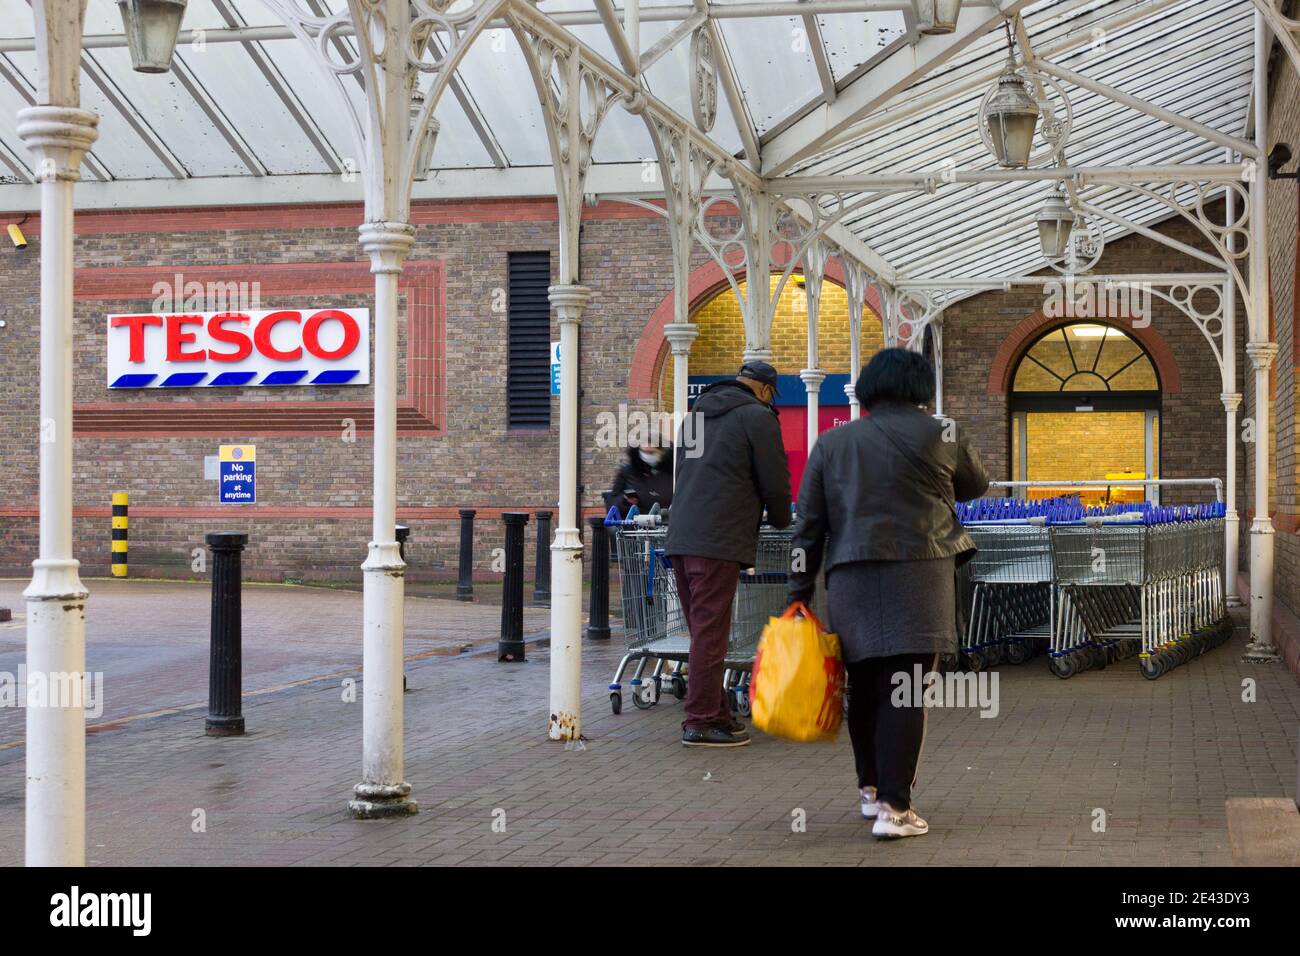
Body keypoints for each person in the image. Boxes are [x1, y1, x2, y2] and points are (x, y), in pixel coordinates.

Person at [786, 348, 987, 838]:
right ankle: (896, 811)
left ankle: (871, 792)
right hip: (920, 575)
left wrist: (798, 594)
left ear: (870, 387)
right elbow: (977, 485)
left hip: (852, 578)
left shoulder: (833, 444)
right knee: (907, 689)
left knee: (865, 688)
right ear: (922, 389)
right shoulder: (945, 433)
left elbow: (808, 527)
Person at [665, 361, 792, 748]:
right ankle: (700, 721)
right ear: (767, 390)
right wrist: (782, 517)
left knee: (703, 632)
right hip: (716, 541)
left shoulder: (696, 416)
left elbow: (683, 472)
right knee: (711, 635)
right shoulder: (758, 417)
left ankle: (716, 713)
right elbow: (775, 477)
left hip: (683, 538)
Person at [605, 444, 673, 518]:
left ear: (661, 452)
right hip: (634, 524)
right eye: (645, 452)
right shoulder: (627, 472)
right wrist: (624, 500)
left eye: (651, 453)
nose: (647, 456)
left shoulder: (670, 472)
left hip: (666, 522)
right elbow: (612, 503)